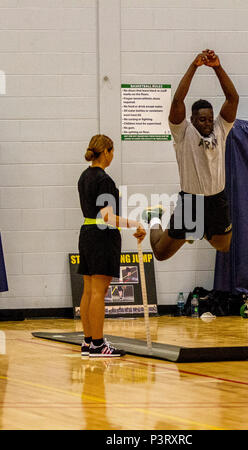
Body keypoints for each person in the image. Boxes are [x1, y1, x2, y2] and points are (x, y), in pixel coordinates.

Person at [143, 49, 239, 261]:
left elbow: (233, 98)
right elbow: (178, 101)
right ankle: (153, 219)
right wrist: (194, 66)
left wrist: (217, 67)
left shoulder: (220, 129)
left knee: (223, 246)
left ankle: (199, 230)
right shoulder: (183, 132)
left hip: (216, 199)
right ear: (193, 120)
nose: (207, 123)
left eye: (209, 119)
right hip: (192, 202)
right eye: (202, 119)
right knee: (160, 253)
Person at [77, 134, 146, 357]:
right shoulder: (104, 180)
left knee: (89, 290)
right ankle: (98, 344)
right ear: (106, 151)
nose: (113, 156)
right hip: (101, 236)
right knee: (99, 291)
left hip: (86, 233)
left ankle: (88, 342)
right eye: (112, 151)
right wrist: (135, 223)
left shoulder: (84, 176)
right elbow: (107, 217)